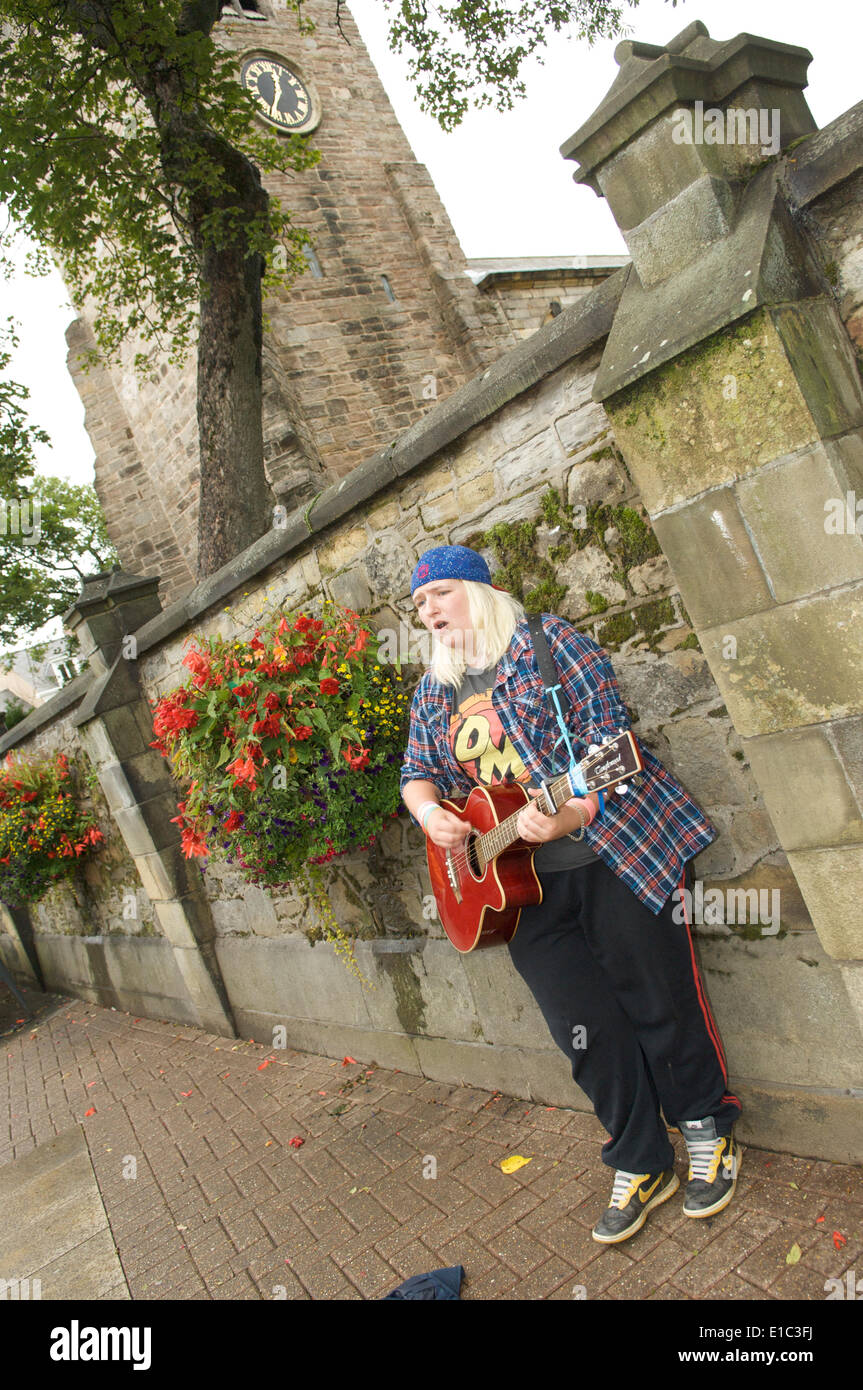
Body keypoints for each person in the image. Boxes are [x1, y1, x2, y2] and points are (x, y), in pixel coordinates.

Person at [400, 543, 742, 1245]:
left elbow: (610, 741)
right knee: (580, 1028)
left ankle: (706, 1126)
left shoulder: (549, 644)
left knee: (659, 998)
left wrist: (572, 812)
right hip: (519, 891)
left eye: (440, 594)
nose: (428, 611)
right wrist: (431, 815)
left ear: (479, 592)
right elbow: (415, 773)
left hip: (610, 853)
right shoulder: (434, 691)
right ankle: (640, 1159)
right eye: (418, 604)